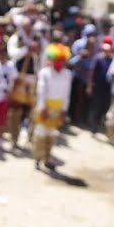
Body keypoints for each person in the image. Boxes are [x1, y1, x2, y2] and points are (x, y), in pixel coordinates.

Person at [32, 43, 72, 171]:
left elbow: (66, 94)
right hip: (45, 107)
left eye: (61, 60)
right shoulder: (45, 73)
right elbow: (41, 91)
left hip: (58, 108)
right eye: (57, 60)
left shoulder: (67, 74)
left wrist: (64, 110)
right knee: (41, 133)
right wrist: (42, 108)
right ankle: (37, 158)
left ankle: (47, 158)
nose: (59, 63)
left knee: (52, 134)